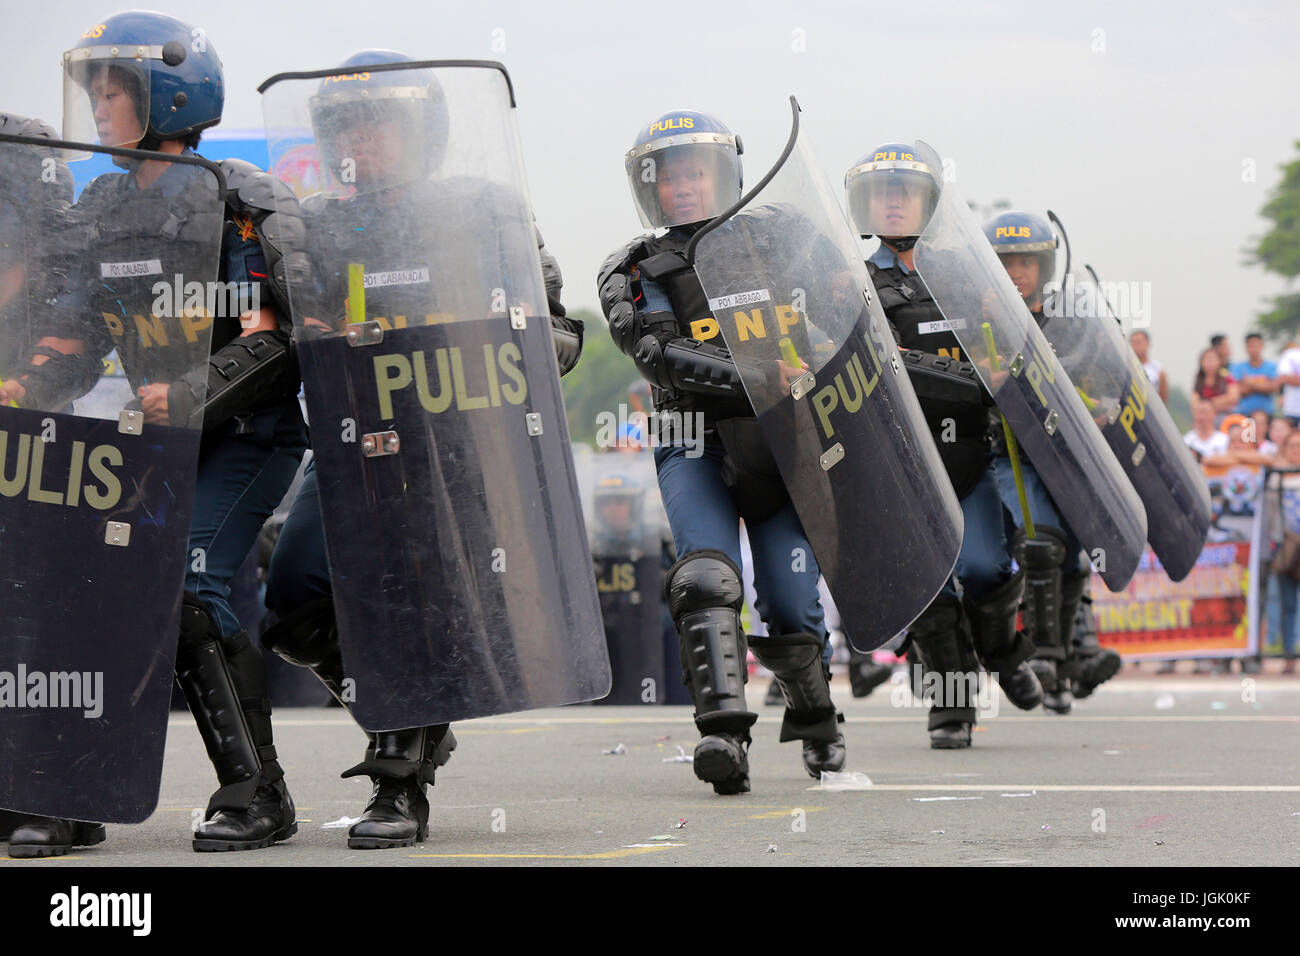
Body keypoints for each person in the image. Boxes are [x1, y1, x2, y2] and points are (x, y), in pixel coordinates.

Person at [1, 12, 308, 856]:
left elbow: (277, 335)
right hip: (154, 443)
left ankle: (259, 793)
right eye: (93, 90)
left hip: (249, 438)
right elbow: (77, 327)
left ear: (171, 93)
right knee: (85, 590)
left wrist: (191, 391)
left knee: (189, 584)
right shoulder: (103, 206)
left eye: (116, 89)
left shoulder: (242, 196)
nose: (100, 106)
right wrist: (24, 381)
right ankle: (69, 795)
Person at [261, 51, 583, 848]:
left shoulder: (483, 209)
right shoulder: (311, 225)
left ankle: (399, 784)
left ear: (423, 132)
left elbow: (560, 336)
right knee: (293, 603)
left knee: (419, 598)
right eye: (344, 125)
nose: (361, 138)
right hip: (349, 443)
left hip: (454, 446)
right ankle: (412, 707)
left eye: (378, 122)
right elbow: (278, 340)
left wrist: (500, 334)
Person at [597, 109, 848, 793]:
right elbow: (658, 355)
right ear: (648, 186)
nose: (682, 186)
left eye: (695, 172)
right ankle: (723, 737)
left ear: (725, 173)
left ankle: (818, 718)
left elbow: (853, 315)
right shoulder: (631, 267)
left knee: (793, 605)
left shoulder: (787, 240)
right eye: (668, 176)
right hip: (692, 442)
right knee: (705, 579)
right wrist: (758, 376)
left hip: (784, 447)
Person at [844, 142, 1041, 748]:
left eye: (905, 192)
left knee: (984, 566)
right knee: (928, 586)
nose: (895, 203)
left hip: (969, 457)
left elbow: (1016, 364)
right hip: (901, 465)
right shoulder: (853, 283)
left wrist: (1000, 322)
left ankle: (1005, 652)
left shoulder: (971, 276)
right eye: (883, 193)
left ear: (929, 202)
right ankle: (951, 707)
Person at [983, 209, 1118, 713]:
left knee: (1073, 557)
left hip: (1071, 458)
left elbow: (1104, 379)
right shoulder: (973, 322)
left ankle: (1069, 663)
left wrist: (1102, 404)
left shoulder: (1072, 324)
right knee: (1039, 546)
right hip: (1008, 455)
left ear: (1045, 265)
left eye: (1025, 261)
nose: (1016, 272)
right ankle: (1045, 655)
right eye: (1005, 262)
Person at [1231, 332, 1279, 419]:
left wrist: (1249, 382)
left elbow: (1273, 387)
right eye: (1250, 346)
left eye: (1256, 345)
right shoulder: (1237, 367)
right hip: (1244, 413)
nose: (1253, 349)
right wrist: (1262, 383)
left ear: (1262, 346)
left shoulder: (1272, 366)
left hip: (1267, 413)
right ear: (1246, 347)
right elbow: (1239, 390)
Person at [1193, 346, 1240, 417]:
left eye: (1212, 360)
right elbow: (1194, 403)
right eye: (1207, 360)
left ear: (1219, 361)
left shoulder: (1226, 376)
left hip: (1225, 416)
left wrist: (1210, 403)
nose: (1210, 363)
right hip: (1205, 418)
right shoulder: (1200, 380)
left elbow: (1233, 397)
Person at [1130, 329, 1168, 403]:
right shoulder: (1127, 366)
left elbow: (1163, 400)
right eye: (1133, 342)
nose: (1135, 346)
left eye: (1139, 343)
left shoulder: (1158, 370)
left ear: (1148, 344)